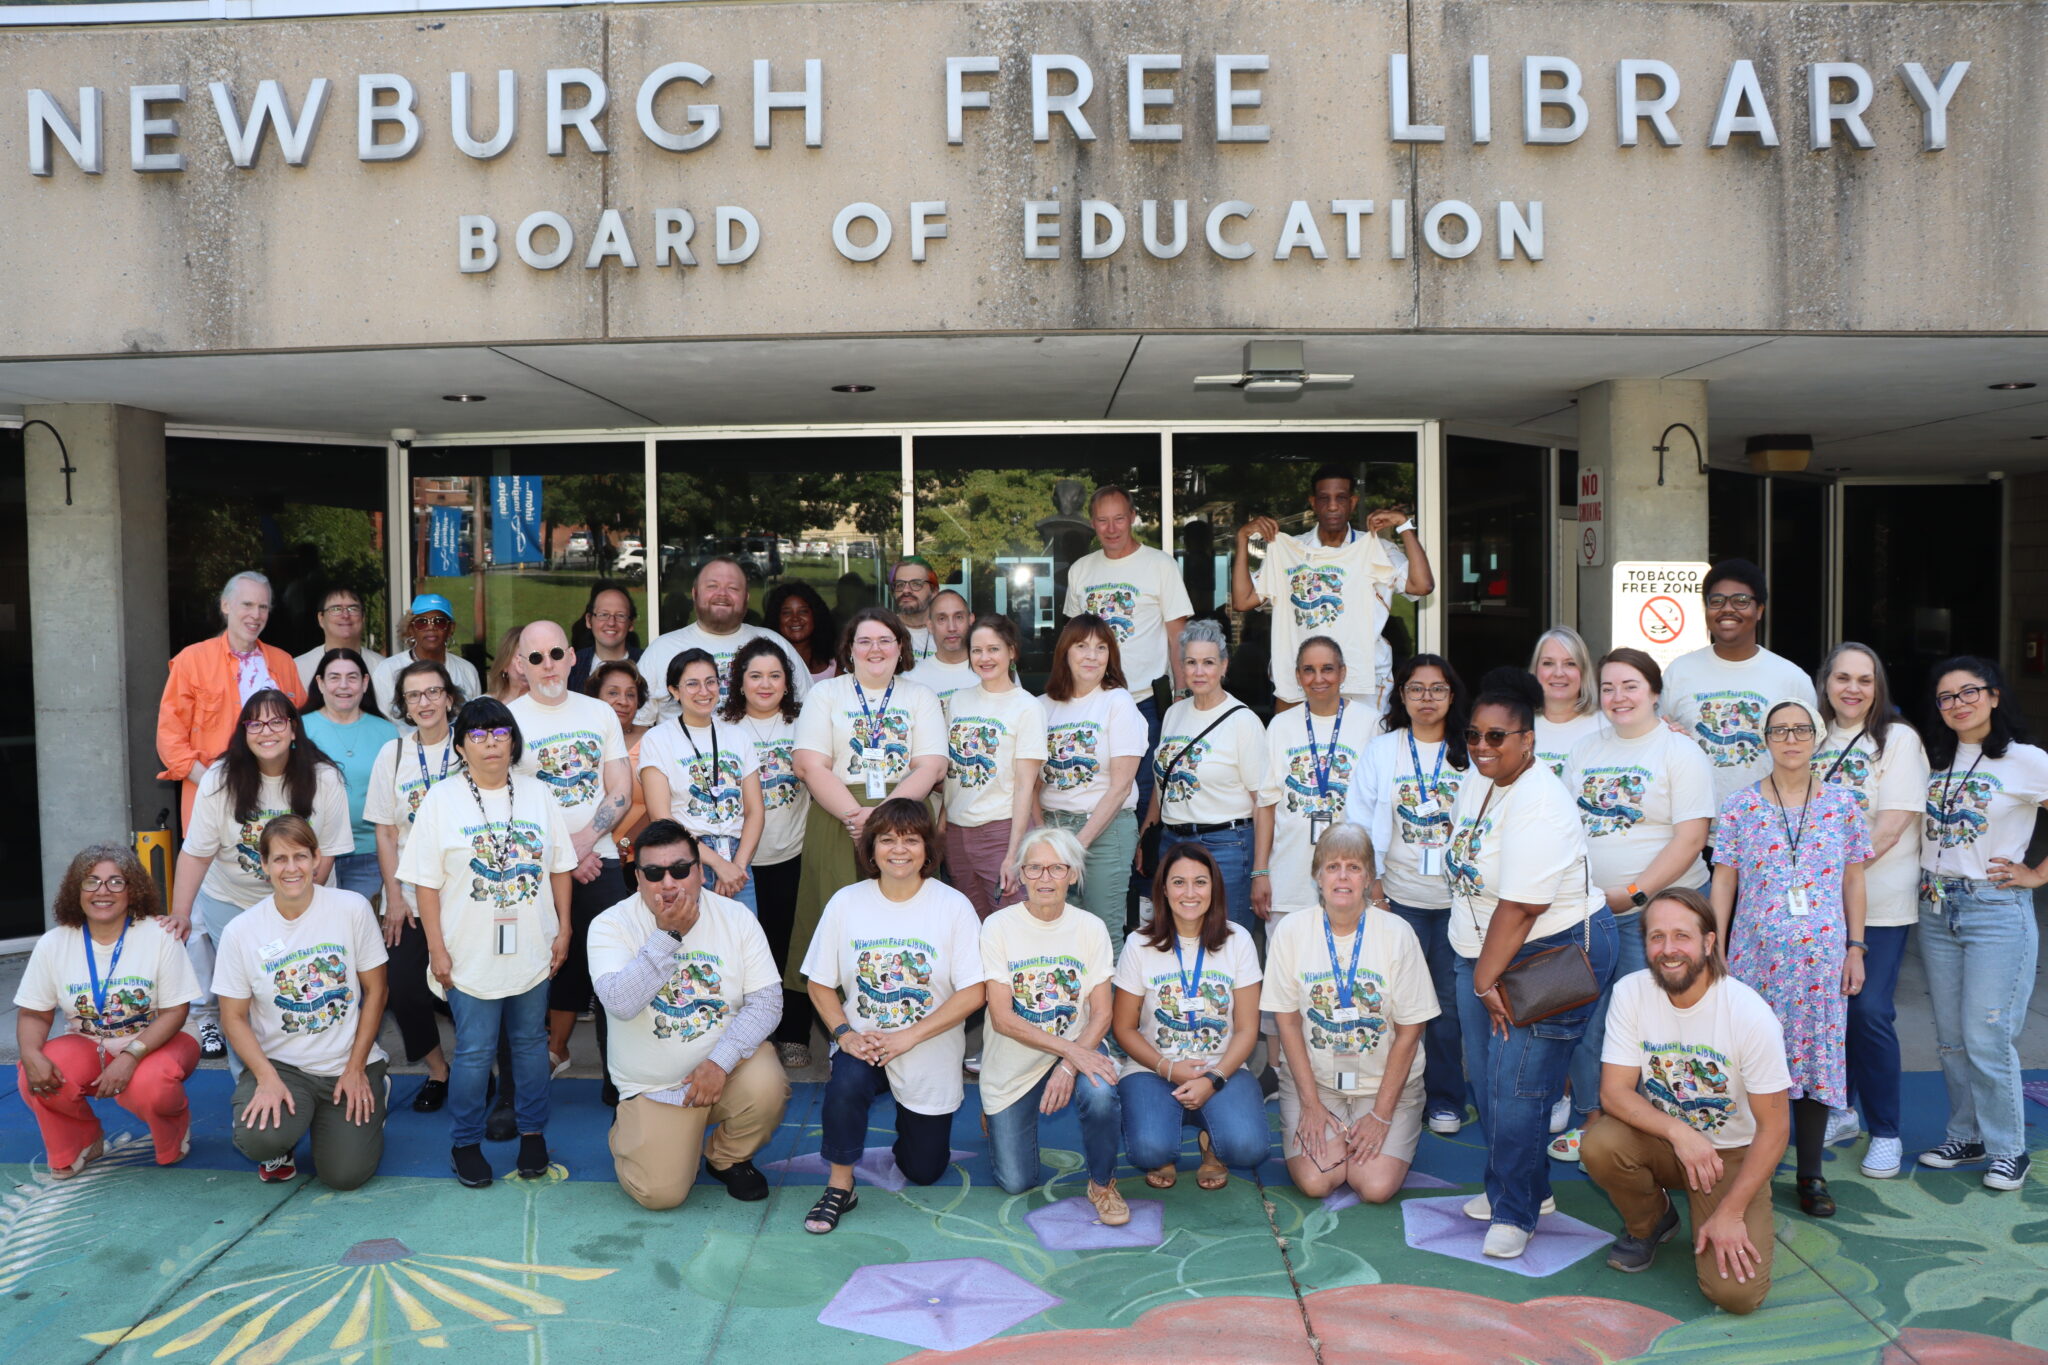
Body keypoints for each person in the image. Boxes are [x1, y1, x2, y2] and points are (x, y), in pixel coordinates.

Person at [1447, 668, 1618, 1260]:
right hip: (1488, 948)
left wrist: (1484, 979)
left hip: (1553, 949)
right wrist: (1480, 968)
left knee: (1518, 1086)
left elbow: (1522, 905)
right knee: (1488, 1079)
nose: (1483, 747)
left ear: (1528, 740)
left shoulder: (1541, 802)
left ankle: (1515, 1212)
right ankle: (1524, 1191)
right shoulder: (1479, 781)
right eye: (1474, 735)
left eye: (1499, 737)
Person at [1580, 888, 1790, 1315]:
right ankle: (1651, 1222)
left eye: (1682, 936)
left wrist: (1731, 1212)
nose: (1668, 949)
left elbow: (1775, 1128)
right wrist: (1680, 1133)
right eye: (1657, 937)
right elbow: (1614, 1092)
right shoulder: (1631, 992)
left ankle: (1729, 1206)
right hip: (1664, 1139)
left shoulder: (1749, 1014)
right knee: (1599, 1144)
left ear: (1709, 943)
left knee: (1736, 1296)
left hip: (1732, 1152)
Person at [398, 697, 577, 1189]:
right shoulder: (441, 800)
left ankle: (533, 1134)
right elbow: (425, 885)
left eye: (500, 733)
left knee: (529, 1045)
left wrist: (563, 928)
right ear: (460, 746)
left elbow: (559, 866)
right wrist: (436, 949)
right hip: (467, 950)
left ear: (513, 741)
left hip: (533, 948)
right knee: (474, 1052)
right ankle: (465, 1144)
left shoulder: (539, 794)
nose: (491, 743)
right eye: (478, 735)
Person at [1551, 648, 1715, 1163]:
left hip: (1657, 914)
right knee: (1584, 1016)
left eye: (1630, 686)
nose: (1618, 697)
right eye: (1609, 687)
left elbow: (1691, 839)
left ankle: (1655, 1128)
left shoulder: (1680, 752)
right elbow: (1562, 827)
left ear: (1654, 694)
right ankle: (1592, 1120)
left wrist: (1636, 894)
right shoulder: (1585, 750)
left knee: (1651, 1023)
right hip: (1588, 913)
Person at [1709, 697, 1871, 1217]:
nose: (1791, 738)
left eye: (1802, 729)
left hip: (1821, 966)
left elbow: (1854, 880)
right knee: (1752, 1062)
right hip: (1754, 961)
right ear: (1766, 739)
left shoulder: (1843, 805)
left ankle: (1810, 1175)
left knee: (1814, 1063)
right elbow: (1724, 881)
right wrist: (1715, 947)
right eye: (1779, 730)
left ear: (1818, 736)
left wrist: (1856, 947)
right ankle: (1744, 1170)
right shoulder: (1739, 806)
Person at [799, 798, 986, 1233]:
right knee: (845, 1081)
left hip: (929, 1045)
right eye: (887, 839)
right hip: (865, 1040)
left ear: (927, 849)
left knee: (923, 1169)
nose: (898, 850)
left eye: (910, 840)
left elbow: (975, 991)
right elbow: (819, 981)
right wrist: (843, 1033)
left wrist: (910, 1036)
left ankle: (912, 1122)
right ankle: (840, 1186)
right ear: (871, 848)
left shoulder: (953, 905)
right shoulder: (847, 903)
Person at [590, 820, 791, 1209]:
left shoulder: (736, 917)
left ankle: (727, 1156)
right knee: (660, 1195)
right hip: (654, 1089)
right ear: (637, 878)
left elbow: (767, 1002)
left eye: (681, 870)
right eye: (654, 873)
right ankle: (631, 1131)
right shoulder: (609, 925)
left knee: (769, 1081)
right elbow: (618, 1002)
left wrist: (719, 1062)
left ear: (700, 871)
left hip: (723, 1073)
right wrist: (668, 936)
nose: (669, 883)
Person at [1915, 656, 2046, 1192]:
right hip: (1936, 905)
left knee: (1987, 1034)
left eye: (1969, 692)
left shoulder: (2026, 759)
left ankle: (2009, 1149)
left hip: (1995, 909)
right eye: (1946, 697)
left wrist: (2036, 874)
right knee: (1950, 1038)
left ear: (1994, 695)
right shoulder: (1934, 759)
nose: (1958, 704)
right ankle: (1966, 1135)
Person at [168, 689, 352, 1062]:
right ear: (243, 731)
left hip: (307, 899)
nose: (266, 731)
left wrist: (301, 910)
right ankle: (250, 1083)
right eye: (256, 723)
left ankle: (310, 1070)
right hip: (233, 903)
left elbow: (327, 850)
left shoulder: (325, 778)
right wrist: (181, 915)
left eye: (277, 721)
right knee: (245, 997)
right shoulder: (219, 780)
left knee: (301, 988)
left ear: (294, 728)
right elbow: (196, 854)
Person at [215, 816, 390, 1189]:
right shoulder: (241, 932)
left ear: (316, 859)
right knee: (258, 1139)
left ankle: (375, 1088)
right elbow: (232, 1017)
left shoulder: (352, 908)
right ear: (264, 865)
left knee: (345, 1175)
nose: (291, 868)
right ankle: (284, 1139)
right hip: (284, 1067)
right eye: (279, 859)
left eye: (300, 856)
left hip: (346, 1061)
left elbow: (377, 991)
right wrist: (265, 1077)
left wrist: (357, 1066)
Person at [1266, 824, 1436, 1202]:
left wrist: (1380, 1115)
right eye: (1332, 866)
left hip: (1385, 1088)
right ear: (1316, 876)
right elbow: (1287, 1022)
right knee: (1317, 1181)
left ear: (1370, 878)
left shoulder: (1398, 933)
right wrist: (1310, 1104)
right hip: (1318, 1085)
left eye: (1354, 867)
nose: (1342, 877)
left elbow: (1411, 1031)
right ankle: (1333, 1132)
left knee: (1373, 1186)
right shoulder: (1291, 931)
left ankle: (1377, 1131)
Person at [788, 608, 948, 1002]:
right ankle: (841, 1017)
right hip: (839, 815)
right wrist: (854, 815)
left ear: (900, 647)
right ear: (849, 649)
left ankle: (913, 1002)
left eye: (884, 640)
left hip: (905, 817)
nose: (875, 649)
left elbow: (932, 766)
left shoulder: (920, 696)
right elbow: (809, 764)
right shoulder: (825, 694)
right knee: (839, 915)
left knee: (910, 913)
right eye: (865, 641)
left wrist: (882, 821)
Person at [1812, 643, 1929, 1178]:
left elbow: (1893, 823)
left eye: (1865, 679)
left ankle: (1886, 1131)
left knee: (1869, 1010)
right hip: (1815, 907)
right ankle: (1841, 1108)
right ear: (1826, 682)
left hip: (1879, 902)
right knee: (1829, 1012)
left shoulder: (1898, 740)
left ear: (1878, 687)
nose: (1852, 689)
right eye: (1842, 678)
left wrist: (1828, 874)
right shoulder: (1811, 734)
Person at [15, 844, 201, 1176]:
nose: (103, 891)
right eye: (91, 881)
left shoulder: (160, 936)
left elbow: (176, 1010)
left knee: (151, 1086)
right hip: (90, 1042)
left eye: (116, 882)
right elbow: (34, 1013)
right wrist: (30, 1053)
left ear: (133, 890)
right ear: (77, 889)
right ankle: (84, 1138)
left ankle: (173, 1128)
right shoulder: (54, 943)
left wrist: (130, 1057)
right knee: (39, 1073)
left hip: (160, 1039)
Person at [979, 827, 1127, 1222]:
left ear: (1073, 875)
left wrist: (1068, 1065)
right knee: (1015, 1181)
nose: (1046, 879)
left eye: (1057, 869)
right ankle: (997, 1110)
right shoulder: (998, 926)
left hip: (1075, 1047)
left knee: (1100, 1090)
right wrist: (1071, 1053)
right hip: (1015, 1059)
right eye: (1035, 868)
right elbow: (1002, 1017)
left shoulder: (1090, 928)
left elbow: (1102, 1013)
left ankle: (1102, 1183)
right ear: (1021, 874)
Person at [507, 620, 632, 1082]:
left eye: (556, 654)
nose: (547, 665)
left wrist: (582, 844)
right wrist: (566, 855)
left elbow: (620, 787)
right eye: (535, 658)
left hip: (601, 860)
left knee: (612, 968)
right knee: (540, 968)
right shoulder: (509, 720)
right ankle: (523, 1078)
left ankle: (618, 1076)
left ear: (573, 657)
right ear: (521, 664)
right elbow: (510, 803)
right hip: (537, 868)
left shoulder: (598, 713)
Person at [1352, 652, 1471, 1136]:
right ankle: (1388, 1095)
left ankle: (1445, 1098)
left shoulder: (1472, 749)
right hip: (1396, 898)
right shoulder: (1383, 751)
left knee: (1446, 1006)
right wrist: (1374, 891)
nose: (1427, 698)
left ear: (1452, 695)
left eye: (1438, 689)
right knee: (1389, 1002)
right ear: (1400, 695)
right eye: (1417, 689)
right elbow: (1358, 823)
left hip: (1456, 903)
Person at [1112, 843, 1268, 1190]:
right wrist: (1167, 1068)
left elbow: (1246, 1029)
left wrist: (1213, 1077)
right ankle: (1164, 1144)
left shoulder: (1237, 940)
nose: (1190, 892)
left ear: (1214, 887)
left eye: (1200, 882)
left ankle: (1211, 1145)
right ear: (1163, 889)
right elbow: (1122, 1028)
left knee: (1248, 1147)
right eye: (1179, 882)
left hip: (1222, 1068)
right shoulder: (1139, 944)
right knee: (1149, 1151)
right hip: (1153, 1068)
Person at [1230, 464, 1434, 712]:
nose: (1333, 506)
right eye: (1325, 499)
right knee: (1297, 750)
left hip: (1362, 681)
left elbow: (1422, 585)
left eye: (1341, 498)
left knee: (1362, 750)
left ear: (1353, 501)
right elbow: (1243, 601)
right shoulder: (1291, 550)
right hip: (1301, 680)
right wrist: (1242, 538)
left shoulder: (1376, 549)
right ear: (1313, 503)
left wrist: (1404, 526)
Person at [365, 659, 464, 1112]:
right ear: (403, 705)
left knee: (466, 987)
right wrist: (395, 899)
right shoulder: (395, 754)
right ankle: (439, 1071)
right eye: (413, 695)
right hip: (407, 896)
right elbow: (386, 832)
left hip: (464, 896)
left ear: (448, 696)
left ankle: (474, 1069)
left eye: (432, 692)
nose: (424, 702)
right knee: (404, 988)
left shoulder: (469, 747)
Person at [1063, 484, 1193, 824]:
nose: (1111, 529)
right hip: (1092, 702)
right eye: (1102, 520)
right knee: (1092, 790)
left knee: (1145, 796)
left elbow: (1178, 635)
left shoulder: (1159, 565)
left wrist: (1181, 696)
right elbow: (1071, 641)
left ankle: (1141, 875)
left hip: (1144, 701)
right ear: (1092, 523)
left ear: (1133, 518)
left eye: (1119, 519)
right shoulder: (1081, 570)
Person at [1660, 560, 1818, 832]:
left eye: (1741, 600)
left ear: (1759, 611)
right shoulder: (1679, 672)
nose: (1728, 609)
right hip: (1693, 835)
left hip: (1770, 833)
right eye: (1717, 600)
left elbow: (1809, 757)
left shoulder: (1791, 678)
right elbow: (1658, 745)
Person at [722, 637, 816, 1065]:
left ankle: (794, 1033)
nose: (765, 684)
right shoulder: (722, 728)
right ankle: (752, 1036)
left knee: (791, 946)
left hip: (792, 854)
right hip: (735, 863)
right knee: (744, 954)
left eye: (775, 676)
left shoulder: (806, 724)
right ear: (739, 682)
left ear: (787, 682)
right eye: (755, 675)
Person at [1145, 620, 1268, 943]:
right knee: (1179, 940)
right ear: (1182, 666)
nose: (1199, 671)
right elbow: (1164, 782)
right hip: (1173, 843)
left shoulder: (1244, 721)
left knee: (1226, 941)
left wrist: (1260, 871)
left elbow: (1264, 803)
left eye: (1208, 662)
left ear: (1224, 666)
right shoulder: (1174, 714)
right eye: (1191, 662)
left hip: (1226, 846)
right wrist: (1149, 830)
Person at [158, 570, 307, 828]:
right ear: (225, 605)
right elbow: (170, 737)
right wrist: (212, 783)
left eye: (263, 607)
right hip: (210, 797)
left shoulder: (283, 662)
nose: (256, 615)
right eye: (247, 604)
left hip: (277, 798)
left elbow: (302, 729)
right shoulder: (191, 660)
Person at [1035, 614, 1148, 955]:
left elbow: (1122, 786)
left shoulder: (1118, 702)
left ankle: (1105, 1011)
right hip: (1053, 829)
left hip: (1105, 831)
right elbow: (1030, 783)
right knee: (1055, 933)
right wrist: (1044, 838)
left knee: (1102, 935)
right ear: (1065, 653)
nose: (1092, 656)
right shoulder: (1042, 706)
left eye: (1101, 648)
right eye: (1082, 646)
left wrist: (1076, 846)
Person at [641, 649, 765, 913]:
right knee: (693, 947)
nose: (704, 691)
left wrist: (737, 866)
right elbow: (662, 817)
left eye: (710, 682)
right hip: (685, 859)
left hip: (737, 855)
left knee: (741, 946)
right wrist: (718, 865)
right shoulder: (658, 739)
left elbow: (755, 811)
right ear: (674, 691)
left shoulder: (738, 737)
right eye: (692, 684)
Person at [942, 615, 1049, 921]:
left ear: (1012, 651)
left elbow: (1025, 785)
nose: (984, 658)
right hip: (958, 832)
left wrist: (1013, 854)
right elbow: (952, 773)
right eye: (977, 650)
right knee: (971, 926)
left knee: (1012, 925)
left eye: (993, 649)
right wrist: (942, 823)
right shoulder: (958, 701)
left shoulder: (1027, 707)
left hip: (1002, 830)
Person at [1253, 637, 1366, 926]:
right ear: (1298, 676)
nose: (1318, 679)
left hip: (1350, 883)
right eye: (1309, 670)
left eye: (1327, 669)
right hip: (1288, 879)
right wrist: (1261, 872)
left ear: (1342, 672)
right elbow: (1266, 804)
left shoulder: (1371, 724)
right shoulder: (1281, 726)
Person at [637, 556, 811, 723]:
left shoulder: (775, 645)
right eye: (712, 586)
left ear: (746, 598)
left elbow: (811, 714)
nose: (722, 594)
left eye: (733, 588)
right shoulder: (662, 649)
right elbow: (638, 724)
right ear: (695, 594)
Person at [302, 648, 399, 906]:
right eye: (334, 677)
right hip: (313, 854)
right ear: (320, 683)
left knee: (361, 935)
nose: (343, 686)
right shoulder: (299, 728)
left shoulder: (387, 732)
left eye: (352, 677)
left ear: (365, 683)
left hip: (370, 856)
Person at [370, 594, 485, 729]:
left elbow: (475, 721)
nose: (431, 627)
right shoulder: (387, 670)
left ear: (451, 629)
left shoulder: (467, 670)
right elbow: (381, 724)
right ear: (411, 629)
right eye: (422, 622)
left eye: (439, 621)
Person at [588, 660, 652, 863]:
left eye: (631, 694)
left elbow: (660, 805)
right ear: (595, 697)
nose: (623, 701)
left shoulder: (653, 740)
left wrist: (625, 844)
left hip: (638, 856)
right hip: (585, 856)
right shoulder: (580, 741)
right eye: (613, 693)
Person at [1530, 627, 1604, 778]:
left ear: (1583, 672)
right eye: (1548, 663)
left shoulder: (1606, 726)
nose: (1558, 673)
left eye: (1570, 663)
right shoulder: (1517, 725)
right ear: (1535, 670)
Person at [293, 586, 386, 692]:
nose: (345, 615)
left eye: (353, 609)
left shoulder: (383, 668)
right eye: (336, 609)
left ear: (363, 618)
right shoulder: (298, 668)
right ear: (321, 618)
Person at [567, 582, 644, 692]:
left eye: (620, 615)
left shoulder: (647, 663)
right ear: (589, 620)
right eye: (603, 615)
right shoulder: (572, 667)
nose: (611, 623)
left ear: (631, 624)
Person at [905, 588, 977, 705]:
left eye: (958, 617)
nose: (952, 627)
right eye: (942, 619)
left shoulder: (993, 669)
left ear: (971, 619)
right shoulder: (911, 678)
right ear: (930, 626)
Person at [765, 580, 839, 683]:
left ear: (815, 615)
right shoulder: (764, 660)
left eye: (803, 611)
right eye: (787, 613)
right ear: (776, 618)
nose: (795, 618)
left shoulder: (835, 662)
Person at [889, 555, 942, 660]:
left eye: (916, 584)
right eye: (900, 585)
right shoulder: (884, 629)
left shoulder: (946, 632)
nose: (906, 590)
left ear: (934, 591)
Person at [488, 624, 530, 703]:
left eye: (534, 658)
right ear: (504, 664)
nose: (528, 664)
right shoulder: (485, 705)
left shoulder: (553, 704)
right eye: (521, 657)